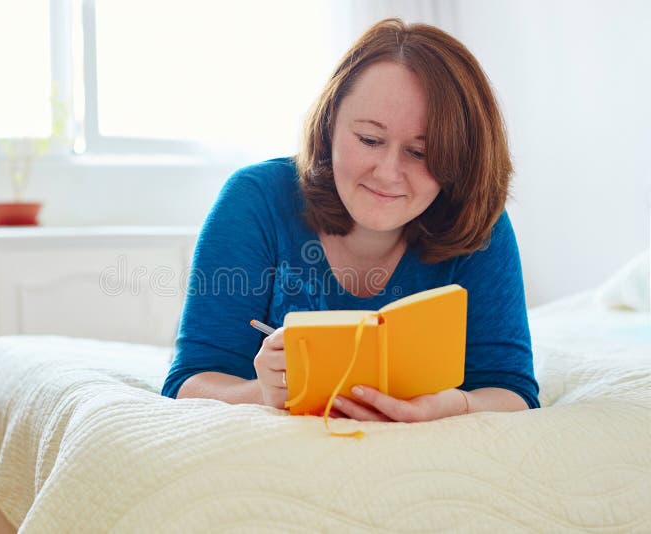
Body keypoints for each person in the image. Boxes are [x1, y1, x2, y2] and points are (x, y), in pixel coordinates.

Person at [161, 18, 539, 422]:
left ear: (460, 163)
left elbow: (513, 391)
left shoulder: (478, 222)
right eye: (369, 140)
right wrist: (262, 394)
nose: (388, 172)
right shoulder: (256, 200)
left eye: (421, 153)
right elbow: (187, 382)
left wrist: (456, 405)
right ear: (329, 126)